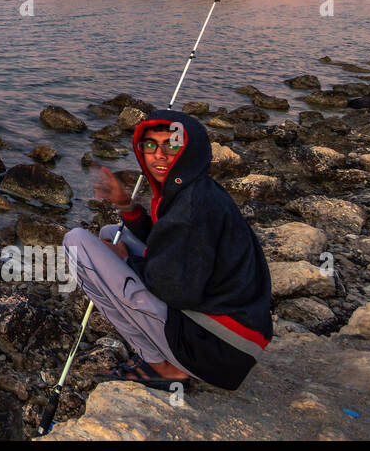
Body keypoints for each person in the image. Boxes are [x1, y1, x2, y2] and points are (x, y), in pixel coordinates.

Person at [62, 111, 272, 390]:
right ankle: (164, 357)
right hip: (232, 340)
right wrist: (127, 207)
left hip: (215, 349)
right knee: (112, 233)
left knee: (76, 242)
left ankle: (163, 367)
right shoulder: (196, 190)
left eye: (171, 145)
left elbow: (176, 291)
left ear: (189, 150)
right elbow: (170, 246)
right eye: (150, 146)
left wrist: (128, 261)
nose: (159, 155)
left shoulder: (192, 207)